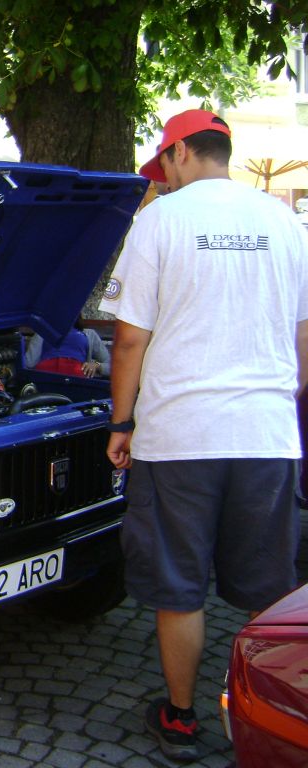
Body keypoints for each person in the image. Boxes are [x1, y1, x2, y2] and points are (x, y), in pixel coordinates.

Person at [99, 109, 308, 762]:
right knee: (268, 591)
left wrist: (121, 422)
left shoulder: (160, 220)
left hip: (180, 437)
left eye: (163, 163)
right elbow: (303, 339)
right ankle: (266, 717)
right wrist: (282, 405)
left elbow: (129, 339)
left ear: (184, 152)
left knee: (179, 584)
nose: (159, 179)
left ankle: (182, 717)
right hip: (268, 435)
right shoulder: (287, 221)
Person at [24, 320, 110, 377]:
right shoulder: (44, 332)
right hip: (46, 374)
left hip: (76, 375)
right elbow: (29, 363)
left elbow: (111, 366)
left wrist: (97, 366)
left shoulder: (89, 334)